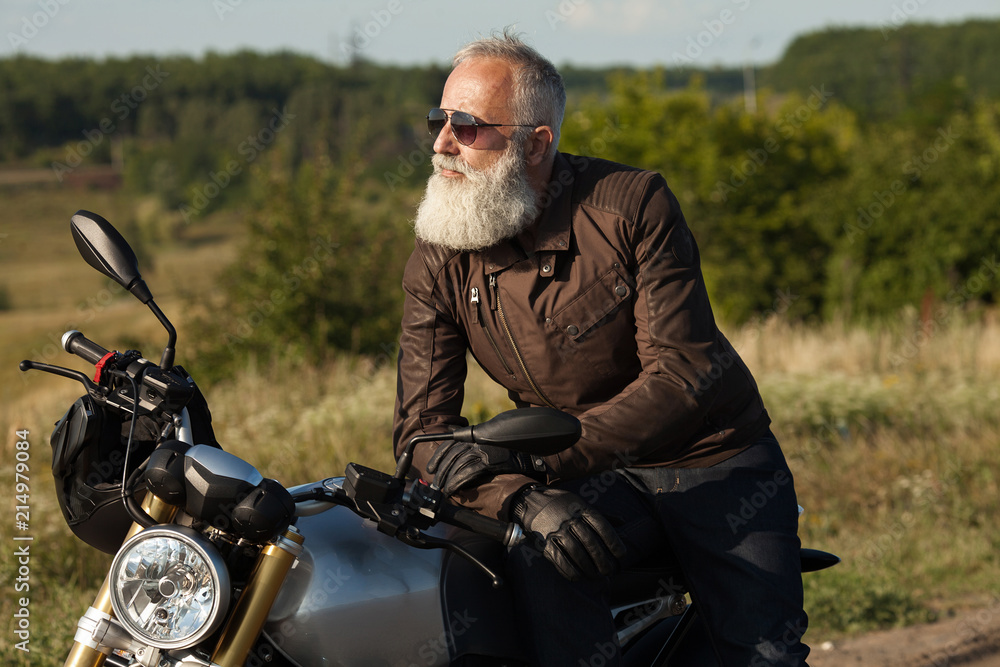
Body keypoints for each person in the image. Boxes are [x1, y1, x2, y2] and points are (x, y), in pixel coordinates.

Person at [393, 29, 809, 666]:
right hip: (588, 477)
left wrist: (538, 466)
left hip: (712, 459)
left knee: (762, 657)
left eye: (469, 126)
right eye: (439, 120)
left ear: (537, 142)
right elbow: (422, 433)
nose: (442, 143)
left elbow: (684, 374)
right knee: (534, 552)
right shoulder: (439, 255)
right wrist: (521, 497)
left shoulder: (632, 205)